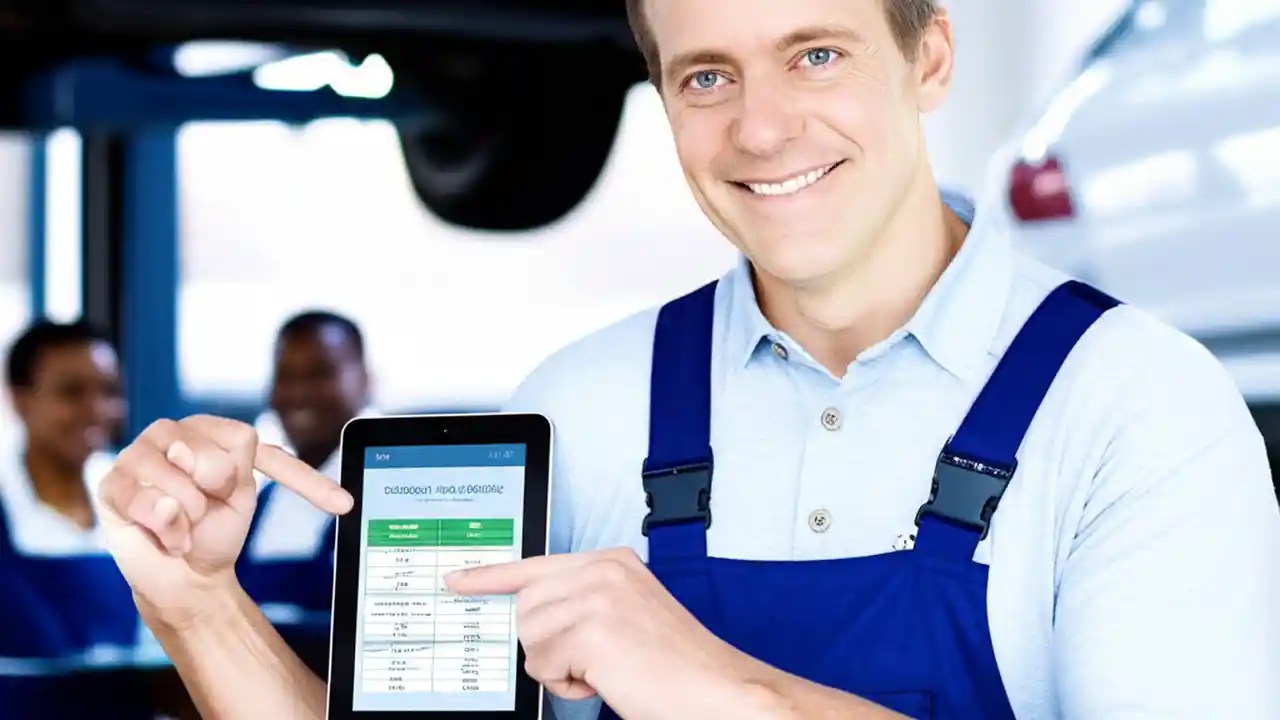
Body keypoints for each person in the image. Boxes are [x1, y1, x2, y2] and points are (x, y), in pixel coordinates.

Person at [96, 1, 1280, 718]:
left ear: (927, 62)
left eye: (814, 54)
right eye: (704, 76)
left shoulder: (1137, 408)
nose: (758, 129)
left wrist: (715, 687)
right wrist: (198, 605)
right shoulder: (577, 410)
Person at [0, 319, 153, 718]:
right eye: (71, 392)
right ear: (20, 399)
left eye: (109, 392)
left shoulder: (140, 500)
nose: (97, 410)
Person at [237, 310, 374, 677]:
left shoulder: (389, 497)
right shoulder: (255, 505)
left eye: (320, 374)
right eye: (286, 377)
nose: (299, 393)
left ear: (365, 380)